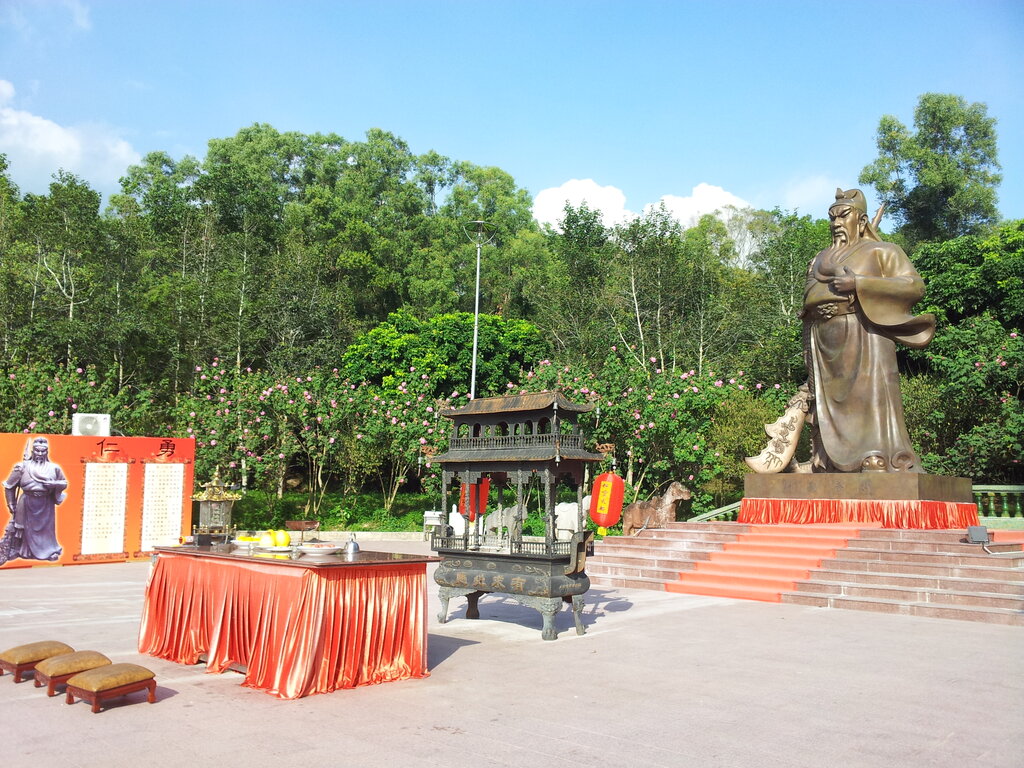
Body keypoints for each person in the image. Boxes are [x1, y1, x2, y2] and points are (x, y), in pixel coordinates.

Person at [800, 188, 935, 472]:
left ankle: (877, 455)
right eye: (832, 217)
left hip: (865, 333)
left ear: (861, 221)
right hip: (823, 339)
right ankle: (824, 457)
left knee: (869, 397)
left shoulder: (883, 251)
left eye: (843, 216)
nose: (836, 223)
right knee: (825, 404)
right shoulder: (821, 257)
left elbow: (914, 286)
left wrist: (860, 283)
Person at [0, 436, 68, 563]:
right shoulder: (22, 467)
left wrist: (54, 485)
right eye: (37, 450)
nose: (40, 454)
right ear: (33, 451)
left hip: (46, 503)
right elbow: (9, 486)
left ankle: (48, 551)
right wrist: (10, 503)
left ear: (47, 452)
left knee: (46, 531)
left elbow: (64, 483)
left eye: (43, 451)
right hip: (27, 500)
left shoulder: (54, 468)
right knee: (22, 528)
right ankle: (22, 550)